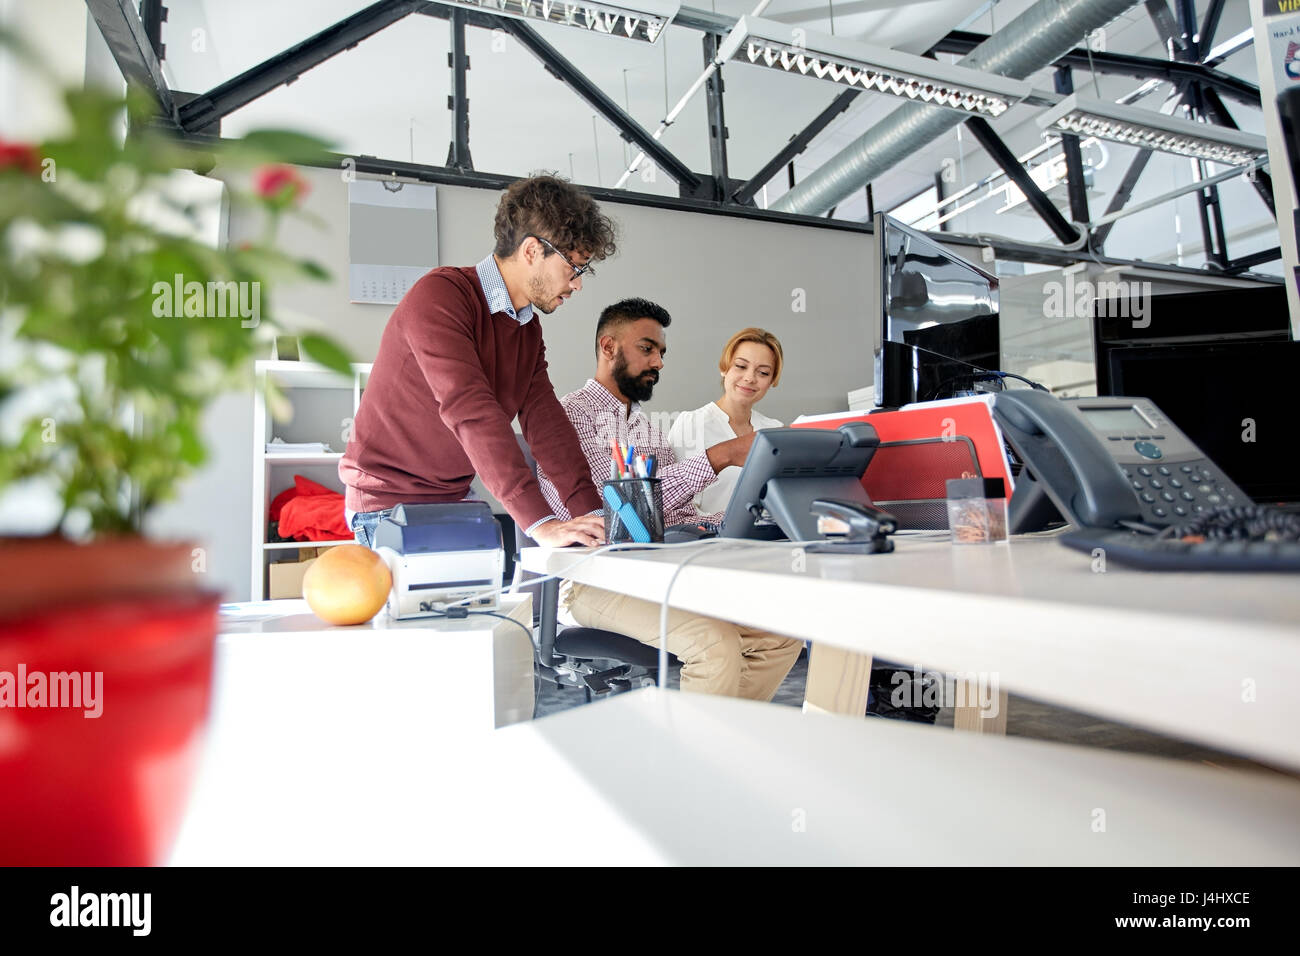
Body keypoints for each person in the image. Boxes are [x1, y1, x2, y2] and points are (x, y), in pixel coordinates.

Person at [535, 298, 804, 701]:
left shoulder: (646, 427)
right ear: (608, 348)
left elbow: (671, 514)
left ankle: (724, 740)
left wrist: (740, 518)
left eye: (661, 353)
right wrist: (721, 456)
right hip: (592, 580)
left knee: (781, 635)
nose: (658, 362)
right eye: (647, 349)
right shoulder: (571, 416)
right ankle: (697, 756)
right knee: (714, 645)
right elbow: (616, 515)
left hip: (651, 578)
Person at [339, 174, 615, 551]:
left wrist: (595, 517)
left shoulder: (526, 328)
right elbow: (470, 409)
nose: (577, 284)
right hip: (388, 504)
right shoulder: (440, 296)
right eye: (574, 268)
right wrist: (541, 523)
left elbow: (546, 423)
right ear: (532, 251)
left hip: (453, 498)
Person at [668, 327, 784, 516]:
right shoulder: (690, 424)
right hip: (708, 540)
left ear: (772, 381)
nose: (749, 378)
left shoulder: (775, 429)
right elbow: (677, 503)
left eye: (763, 372)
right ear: (724, 368)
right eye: (740, 366)